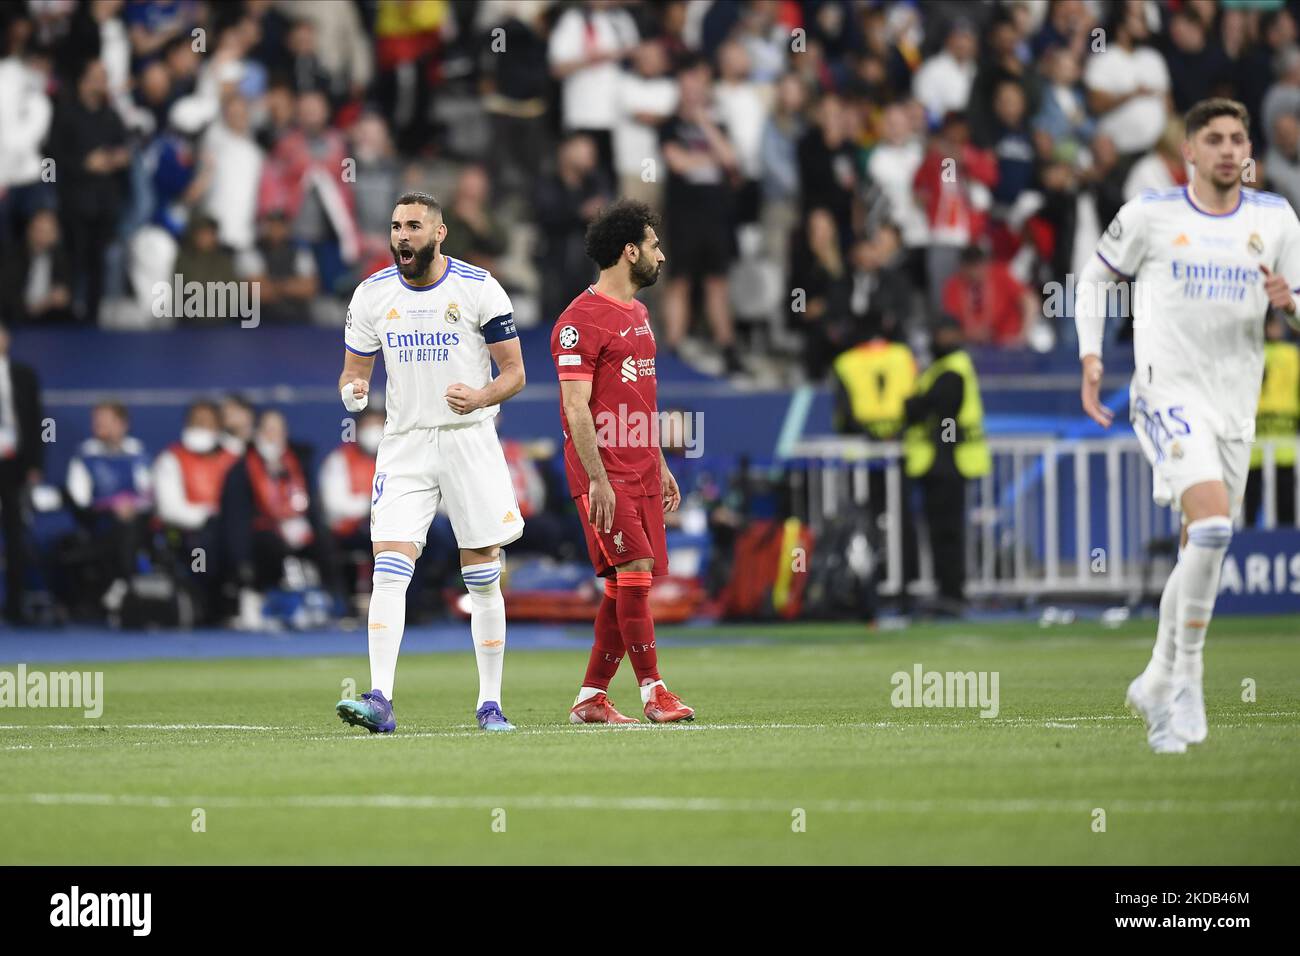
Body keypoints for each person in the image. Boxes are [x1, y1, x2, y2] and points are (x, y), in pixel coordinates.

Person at [1075, 98, 1300, 754]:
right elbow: (1093, 282)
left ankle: (1165, 678)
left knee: (1200, 545)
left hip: (1234, 403)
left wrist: (1292, 305)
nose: (1229, 149)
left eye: (1238, 138)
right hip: (1166, 392)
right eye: (1215, 139)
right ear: (1190, 153)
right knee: (1212, 524)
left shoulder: (1276, 219)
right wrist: (1091, 358)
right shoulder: (1152, 214)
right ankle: (1179, 676)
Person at [334, 191, 526, 734]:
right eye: (396, 226)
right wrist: (353, 391)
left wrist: (482, 396)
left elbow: (515, 372)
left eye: (414, 226)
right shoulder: (371, 295)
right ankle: (379, 699)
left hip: (468, 437)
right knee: (389, 566)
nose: (402, 235)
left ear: (439, 233)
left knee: (482, 573)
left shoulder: (478, 286)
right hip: (406, 442)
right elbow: (355, 372)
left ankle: (490, 703)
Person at [549, 198, 695, 725]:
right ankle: (654, 691)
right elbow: (575, 406)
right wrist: (597, 480)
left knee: (624, 585)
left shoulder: (640, 314)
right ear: (630, 251)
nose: (661, 255)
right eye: (654, 245)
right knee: (633, 572)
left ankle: (590, 698)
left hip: (640, 466)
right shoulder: (577, 321)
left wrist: (658, 460)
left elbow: (640, 398)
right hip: (603, 474)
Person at [902, 318, 990, 617]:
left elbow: (933, 411)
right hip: (945, 463)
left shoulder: (951, 369)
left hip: (946, 464)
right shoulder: (945, 368)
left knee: (946, 533)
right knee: (943, 533)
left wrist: (910, 407)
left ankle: (951, 594)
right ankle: (948, 592)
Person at [0, 323, 44, 625]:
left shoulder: (24, 375)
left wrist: (35, 465)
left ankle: (16, 606)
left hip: (14, 465)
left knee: (16, 537)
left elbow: (37, 421)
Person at [1245, 312, 1299, 527]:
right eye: (1271, 325)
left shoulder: (1292, 354)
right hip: (1255, 445)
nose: (1275, 329)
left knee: (1286, 501)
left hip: (1285, 445)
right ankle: (1247, 540)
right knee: (1250, 502)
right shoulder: (1253, 353)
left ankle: (1285, 541)